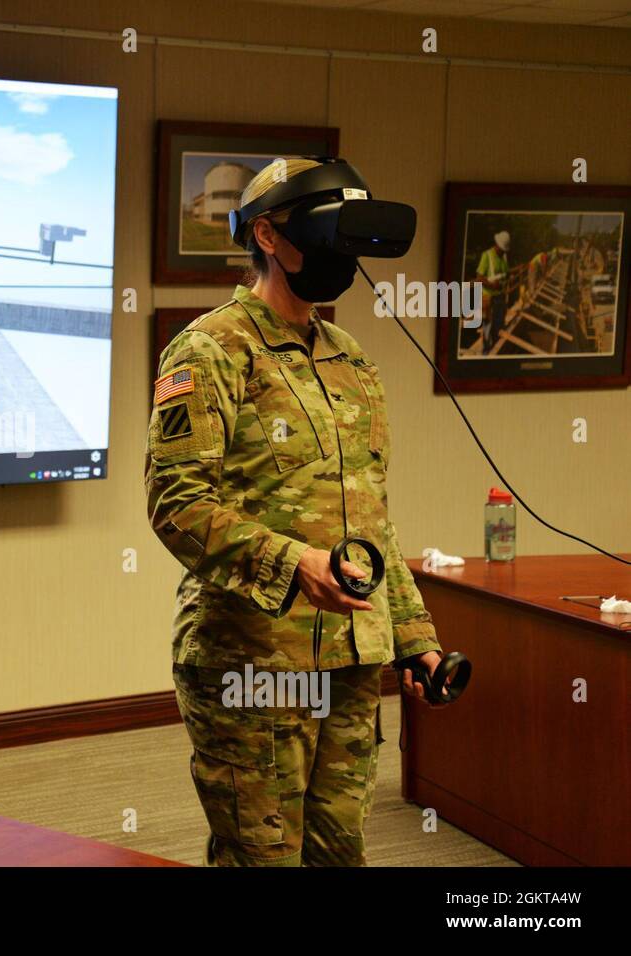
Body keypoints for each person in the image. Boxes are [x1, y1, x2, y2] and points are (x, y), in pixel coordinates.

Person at [146, 157, 444, 867]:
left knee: (339, 854)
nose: (341, 260)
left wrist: (414, 634)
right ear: (267, 239)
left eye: (349, 245)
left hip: (351, 658)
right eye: (327, 238)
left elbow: (371, 516)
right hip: (253, 660)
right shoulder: (212, 348)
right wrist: (292, 562)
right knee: (262, 857)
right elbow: (177, 505)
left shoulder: (350, 358)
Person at [475, 230, 510, 352]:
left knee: (499, 324)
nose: (503, 251)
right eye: (502, 249)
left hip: (500, 297)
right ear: (497, 245)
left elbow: (506, 274)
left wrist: (503, 283)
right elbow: (479, 278)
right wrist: (491, 284)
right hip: (488, 297)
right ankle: (486, 351)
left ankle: (496, 347)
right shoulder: (487, 255)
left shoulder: (504, 257)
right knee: (488, 326)